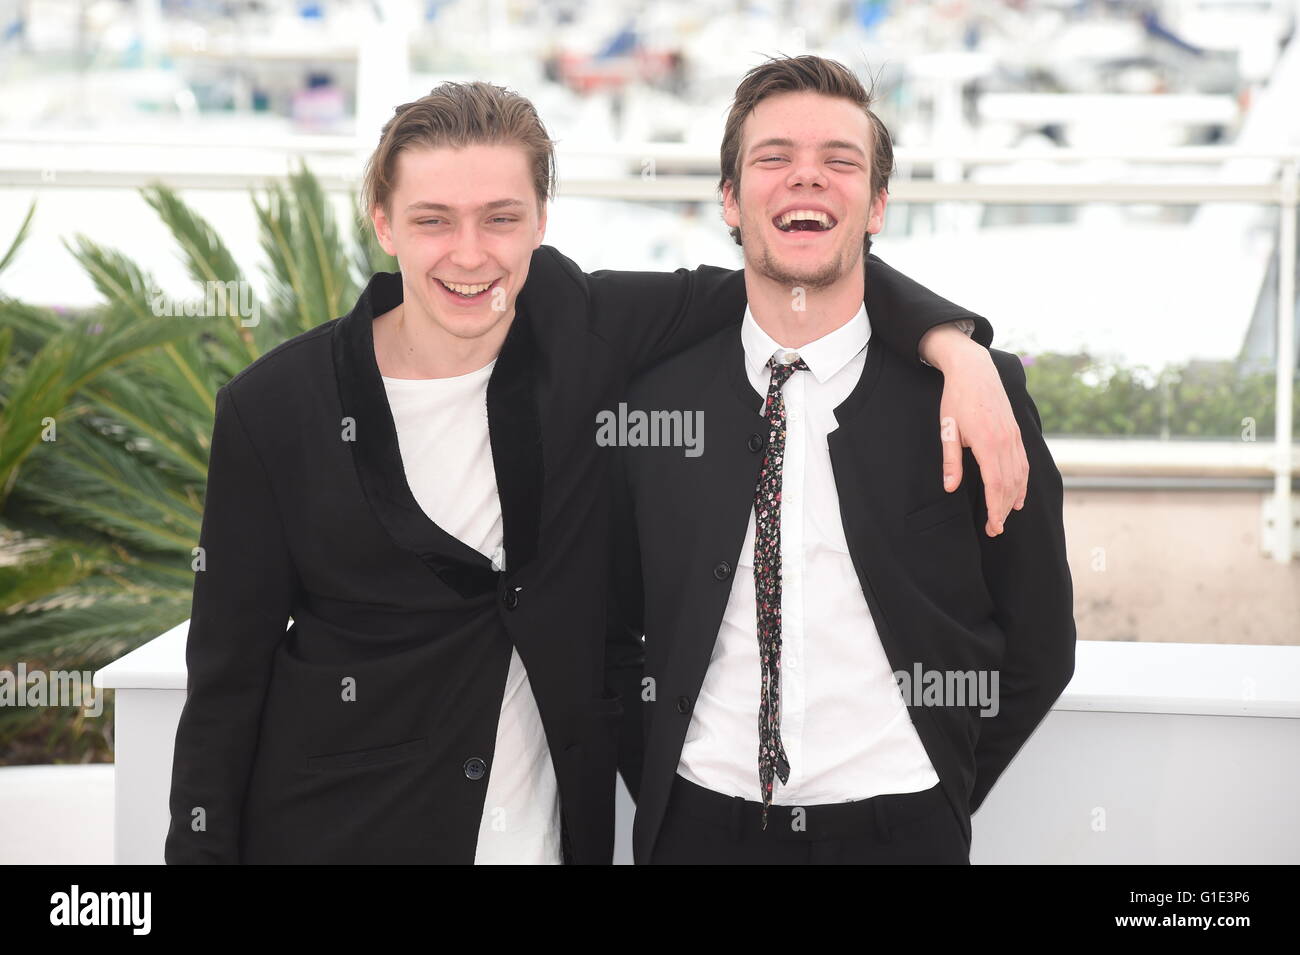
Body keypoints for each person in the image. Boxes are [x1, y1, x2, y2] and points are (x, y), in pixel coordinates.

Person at [164, 79, 1026, 864]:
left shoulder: (587, 329)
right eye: (433, 220)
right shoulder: (273, 408)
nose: (470, 255)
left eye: (501, 218)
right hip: (333, 832)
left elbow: (791, 267)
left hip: (545, 834)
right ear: (384, 223)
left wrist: (954, 343)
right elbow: (225, 685)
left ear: (541, 221)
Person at [608, 55, 1076, 864]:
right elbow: (610, 627)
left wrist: (938, 785)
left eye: (840, 162)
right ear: (729, 197)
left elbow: (1038, 641)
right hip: (695, 826)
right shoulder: (652, 398)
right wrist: (666, 783)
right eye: (774, 158)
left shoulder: (974, 393)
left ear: (877, 206)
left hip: (901, 826)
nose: (807, 179)